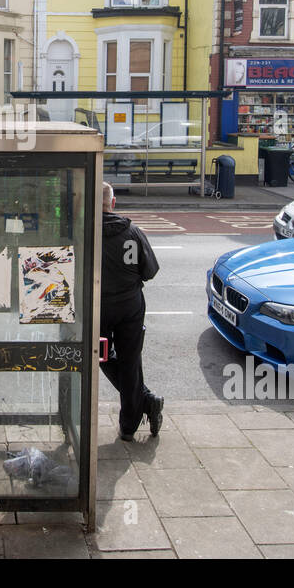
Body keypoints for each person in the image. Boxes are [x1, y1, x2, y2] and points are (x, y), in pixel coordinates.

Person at [99, 181, 163, 440]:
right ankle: (131, 422)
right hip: (130, 306)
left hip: (98, 307)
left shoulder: (85, 232)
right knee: (130, 360)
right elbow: (150, 271)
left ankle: (145, 402)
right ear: (113, 204)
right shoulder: (133, 232)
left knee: (101, 356)